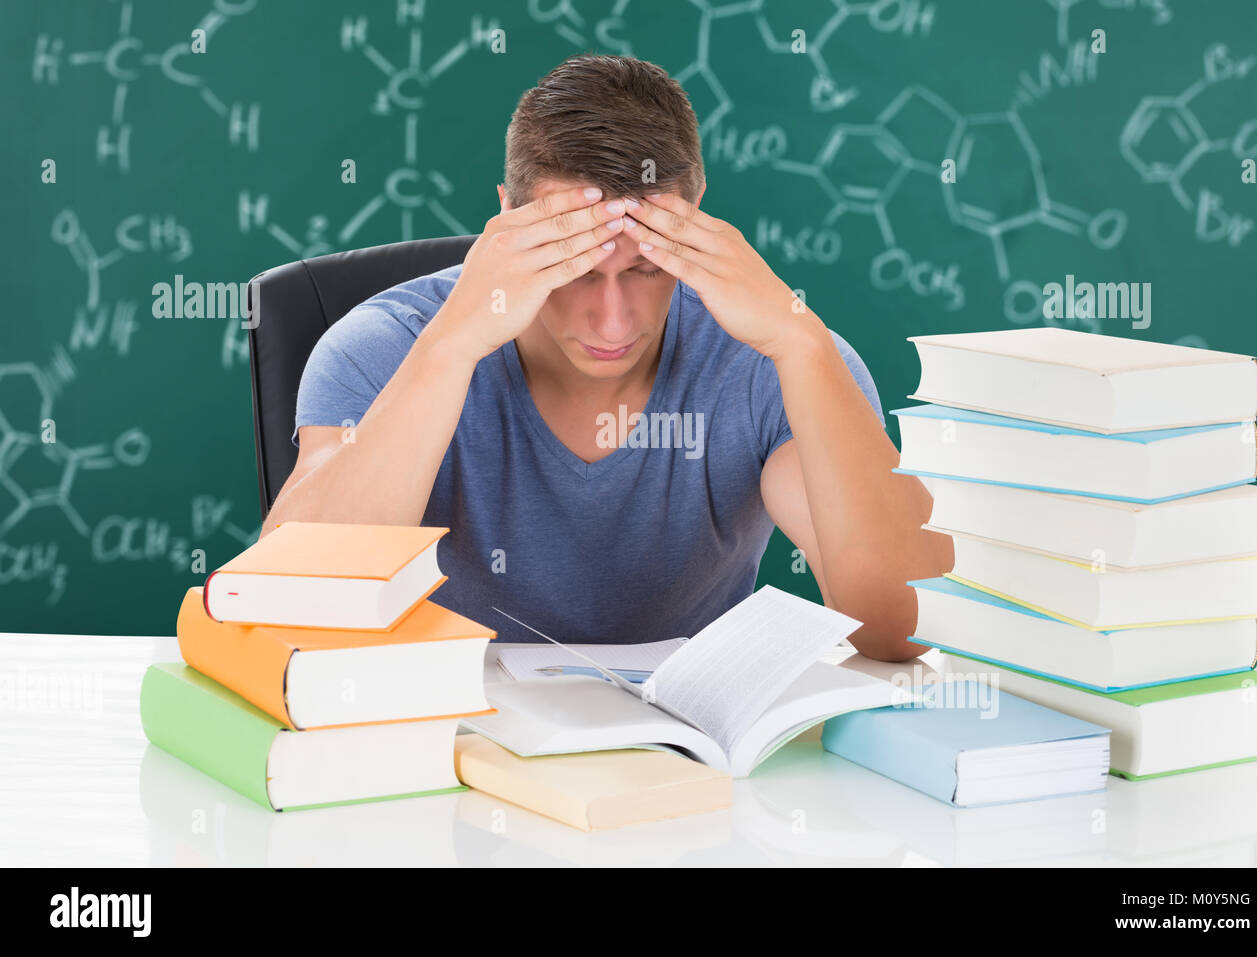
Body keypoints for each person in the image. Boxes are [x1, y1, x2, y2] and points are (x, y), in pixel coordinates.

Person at [266, 54, 951, 659]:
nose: (613, 319)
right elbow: (298, 601)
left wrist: (800, 340)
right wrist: (450, 348)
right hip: (444, 753)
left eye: (648, 266)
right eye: (575, 268)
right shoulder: (387, 344)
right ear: (506, 219)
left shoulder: (777, 359)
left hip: (692, 770)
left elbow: (903, 626)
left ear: (697, 212)